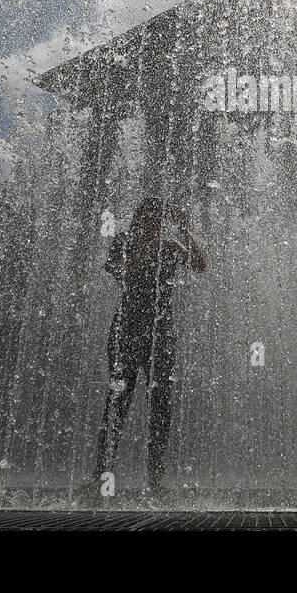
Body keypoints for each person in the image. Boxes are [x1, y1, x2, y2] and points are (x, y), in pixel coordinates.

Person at [92, 196, 207, 490]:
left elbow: (200, 264)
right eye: (149, 219)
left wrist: (184, 228)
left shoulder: (171, 247)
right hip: (127, 330)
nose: (154, 225)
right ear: (139, 219)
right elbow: (121, 275)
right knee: (118, 400)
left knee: (161, 405)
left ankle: (155, 477)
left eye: (159, 220)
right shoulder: (123, 243)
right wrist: (145, 248)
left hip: (161, 334)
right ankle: (101, 473)